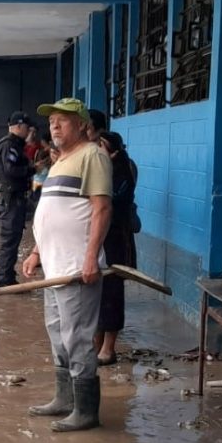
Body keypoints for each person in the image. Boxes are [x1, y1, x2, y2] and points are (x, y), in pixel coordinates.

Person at [22, 98, 113, 433]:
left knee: (77, 337)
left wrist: (91, 257)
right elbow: (51, 212)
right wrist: (36, 252)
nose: (55, 127)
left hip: (76, 268)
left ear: (81, 124)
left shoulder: (92, 155)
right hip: (53, 267)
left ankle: (86, 411)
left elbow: (102, 209)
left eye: (62, 120)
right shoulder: (61, 160)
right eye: (52, 122)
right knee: (58, 335)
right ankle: (65, 399)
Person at [95, 131, 138, 365]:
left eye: (100, 145)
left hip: (116, 239)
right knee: (96, 293)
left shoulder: (123, 171)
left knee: (112, 292)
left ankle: (108, 348)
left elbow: (108, 202)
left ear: (112, 151)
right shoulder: (100, 169)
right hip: (99, 239)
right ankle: (96, 343)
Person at [0, 111, 36, 287]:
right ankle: (2, 280)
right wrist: (33, 170)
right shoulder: (8, 146)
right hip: (11, 201)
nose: (29, 131)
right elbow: (11, 170)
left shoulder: (15, 145)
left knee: (13, 239)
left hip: (15, 200)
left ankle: (8, 276)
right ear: (18, 126)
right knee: (9, 241)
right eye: (27, 128)